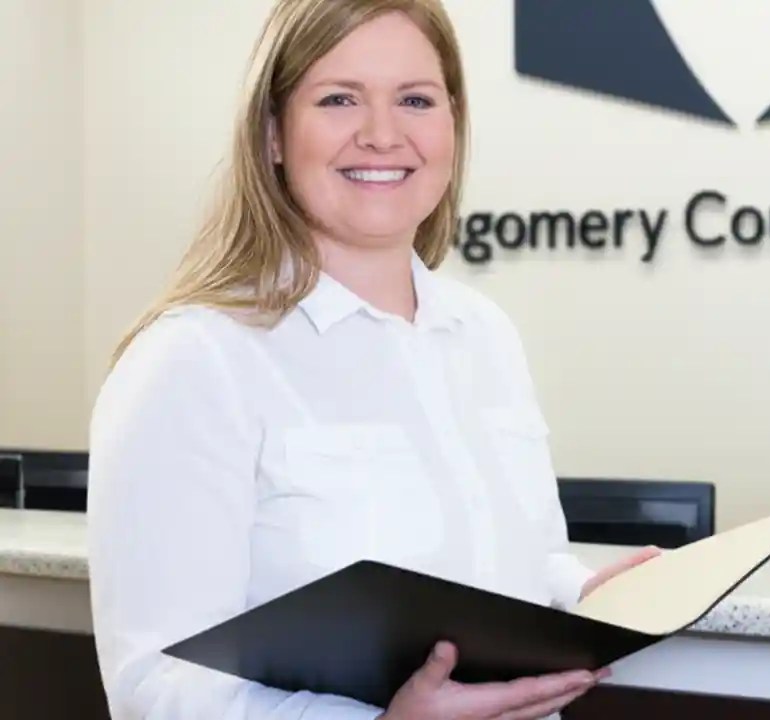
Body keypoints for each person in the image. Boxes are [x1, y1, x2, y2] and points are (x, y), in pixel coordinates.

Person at [86, 1, 658, 718]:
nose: (383, 135)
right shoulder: (192, 360)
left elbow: (516, 557)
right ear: (272, 134)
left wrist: (581, 595)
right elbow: (153, 688)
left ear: (452, 124)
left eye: (415, 100)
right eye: (338, 99)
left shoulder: (483, 334)